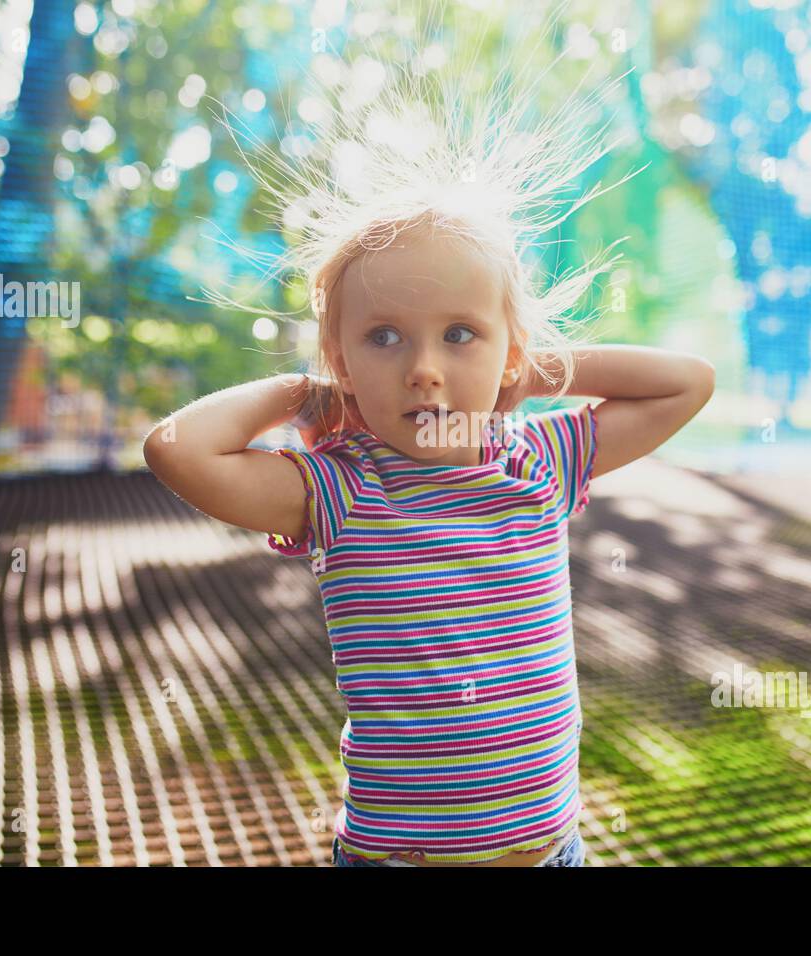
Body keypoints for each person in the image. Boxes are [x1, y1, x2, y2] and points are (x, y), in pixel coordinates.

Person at [143, 37, 715, 866]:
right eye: (382, 338)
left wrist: (535, 374)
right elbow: (175, 450)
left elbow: (687, 384)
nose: (423, 370)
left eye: (460, 335)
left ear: (505, 350)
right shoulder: (337, 491)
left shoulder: (539, 460)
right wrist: (305, 398)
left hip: (550, 849)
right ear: (340, 357)